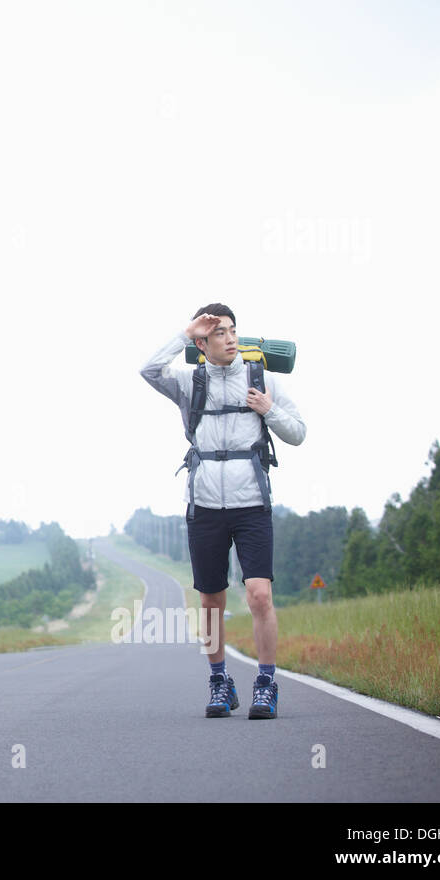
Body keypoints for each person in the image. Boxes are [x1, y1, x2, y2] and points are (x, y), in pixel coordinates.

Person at [140, 304, 306, 719]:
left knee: (259, 595)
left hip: (252, 505)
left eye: (233, 331)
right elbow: (148, 370)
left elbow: (298, 433)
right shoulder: (189, 382)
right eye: (219, 334)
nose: (230, 339)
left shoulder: (260, 378)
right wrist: (184, 334)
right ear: (202, 343)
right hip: (205, 507)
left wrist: (268, 409)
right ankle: (219, 682)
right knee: (211, 601)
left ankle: (266, 683)